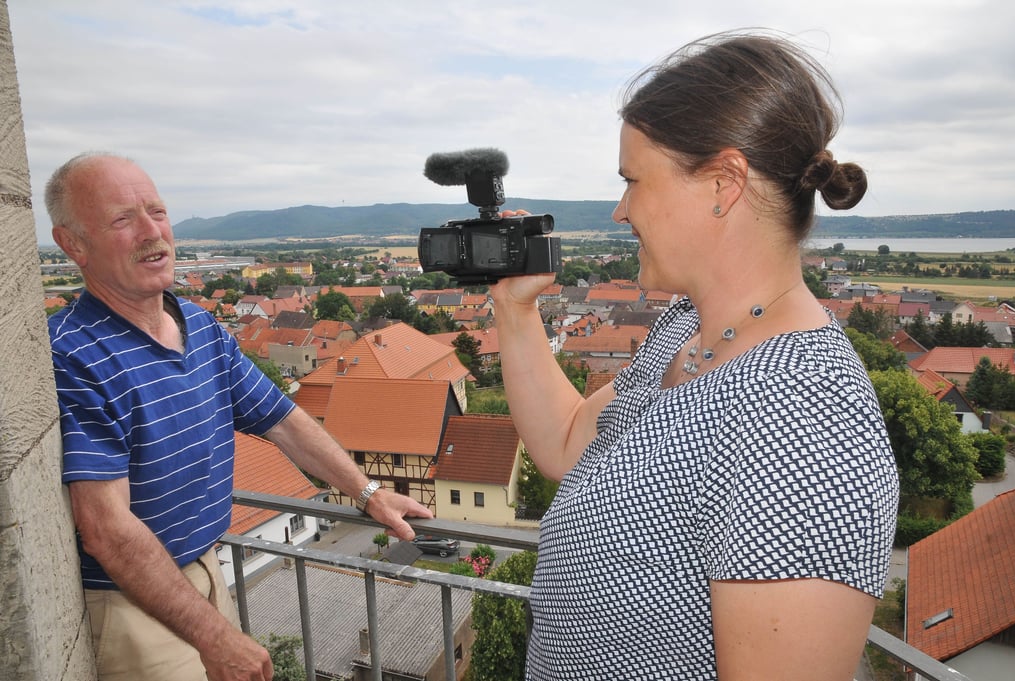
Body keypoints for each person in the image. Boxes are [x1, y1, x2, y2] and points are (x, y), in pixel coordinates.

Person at [491, 32, 899, 680]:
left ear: (723, 183)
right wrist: (514, 311)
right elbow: (570, 443)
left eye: (633, 181)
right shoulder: (690, 329)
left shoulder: (803, 419)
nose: (621, 210)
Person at [46, 152, 433, 681]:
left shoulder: (200, 327)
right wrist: (217, 637)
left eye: (156, 212)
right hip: (132, 604)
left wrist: (367, 493)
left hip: (205, 573)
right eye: (122, 219)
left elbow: (284, 420)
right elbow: (107, 530)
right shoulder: (73, 354)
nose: (150, 232)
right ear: (73, 244)